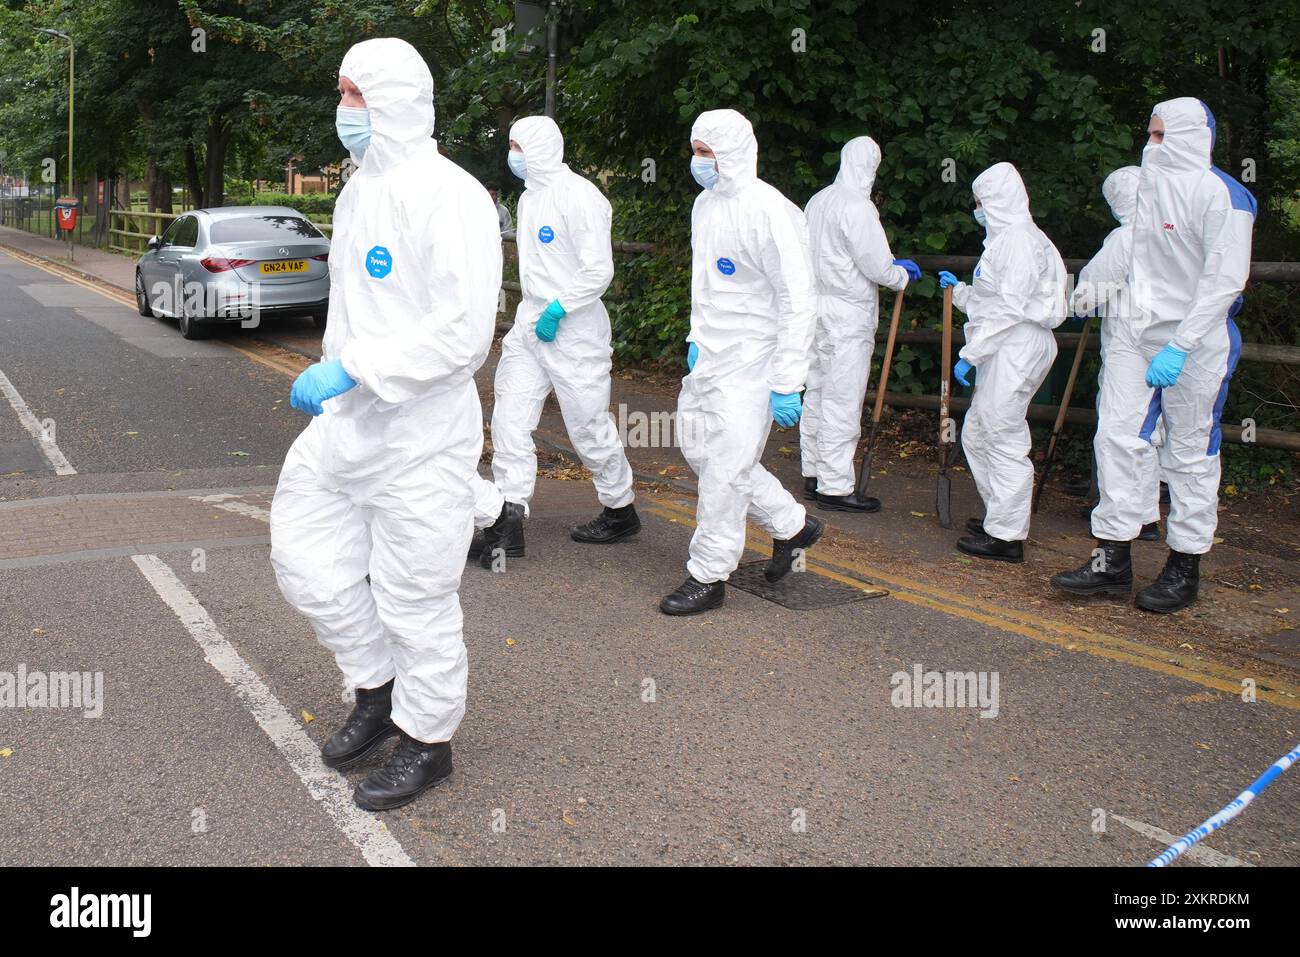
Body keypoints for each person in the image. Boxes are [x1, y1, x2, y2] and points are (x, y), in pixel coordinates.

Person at [269, 38, 502, 811]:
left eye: (354, 95)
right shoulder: (356, 191)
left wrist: (357, 368)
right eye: (342, 93)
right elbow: (359, 305)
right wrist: (339, 372)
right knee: (304, 555)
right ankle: (376, 687)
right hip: (349, 426)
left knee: (415, 596)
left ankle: (428, 741)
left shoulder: (453, 196)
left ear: (395, 99)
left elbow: (464, 331)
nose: (344, 111)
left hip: (422, 436)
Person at [1051, 98, 1253, 613]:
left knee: (1188, 453)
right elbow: (1134, 258)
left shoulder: (1224, 196)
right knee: (1116, 438)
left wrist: (1182, 344)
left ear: (1191, 135)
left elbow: (1223, 281)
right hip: (1138, 338)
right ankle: (1112, 558)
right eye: (1150, 133)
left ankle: (1184, 565)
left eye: (1161, 135)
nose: (1151, 144)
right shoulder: (1150, 186)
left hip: (1196, 343)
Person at [661, 108, 821, 616]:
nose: (698, 163)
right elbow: (704, 283)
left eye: (706, 153)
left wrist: (787, 379)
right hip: (711, 356)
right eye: (695, 151)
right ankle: (792, 525)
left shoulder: (771, 212)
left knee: (726, 470)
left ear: (731, 154)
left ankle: (708, 575)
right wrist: (695, 336)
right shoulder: (705, 206)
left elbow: (799, 298)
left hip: (755, 361)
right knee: (699, 451)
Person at [470, 115, 639, 569]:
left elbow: (598, 269)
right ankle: (509, 518)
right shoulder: (529, 198)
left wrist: (560, 308)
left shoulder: (580, 196)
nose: (513, 156)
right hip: (531, 323)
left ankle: (620, 508)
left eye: (517, 146)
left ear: (540, 147)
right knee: (509, 418)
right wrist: (538, 313)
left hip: (574, 328)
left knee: (587, 425)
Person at [938, 162, 1067, 562]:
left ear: (996, 201)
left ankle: (1007, 536)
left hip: (1017, 343)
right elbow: (994, 300)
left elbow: (1010, 308)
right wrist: (961, 292)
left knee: (1002, 434)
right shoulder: (1005, 241)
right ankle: (1001, 515)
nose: (977, 210)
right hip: (1007, 342)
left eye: (980, 202)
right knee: (978, 432)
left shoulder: (1019, 242)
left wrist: (970, 354)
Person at [799, 136, 921, 511]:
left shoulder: (817, 201)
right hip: (848, 313)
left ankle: (813, 473)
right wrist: (901, 276)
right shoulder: (858, 207)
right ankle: (835, 486)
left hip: (814, 308)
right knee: (842, 398)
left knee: (816, 394)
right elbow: (875, 263)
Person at [1073, 166, 1161, 543]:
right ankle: (1145, 514)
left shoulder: (1126, 238)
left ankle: (1118, 520)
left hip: (1130, 346)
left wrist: (1080, 303)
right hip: (1168, 347)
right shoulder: (1171, 235)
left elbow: (1090, 292)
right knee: (1148, 431)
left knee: (1116, 432)